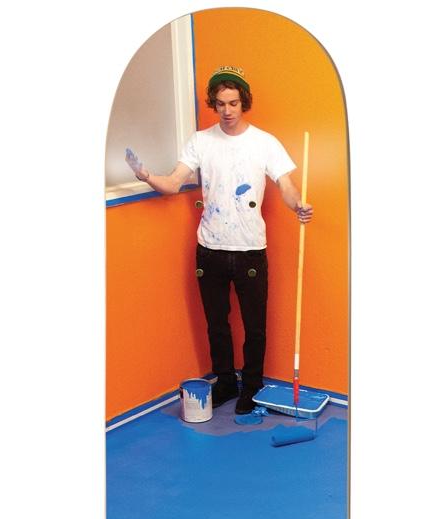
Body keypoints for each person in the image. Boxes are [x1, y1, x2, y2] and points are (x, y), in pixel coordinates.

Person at [124, 66, 313, 414]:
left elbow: (285, 185)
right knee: (217, 325)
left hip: (250, 249)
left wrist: (297, 204)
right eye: (221, 104)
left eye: (233, 103)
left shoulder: (264, 142)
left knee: (255, 327)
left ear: (244, 103)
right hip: (209, 249)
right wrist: (145, 174)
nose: (227, 110)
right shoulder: (201, 141)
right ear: (214, 103)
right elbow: (174, 183)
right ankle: (225, 383)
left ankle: (251, 388)